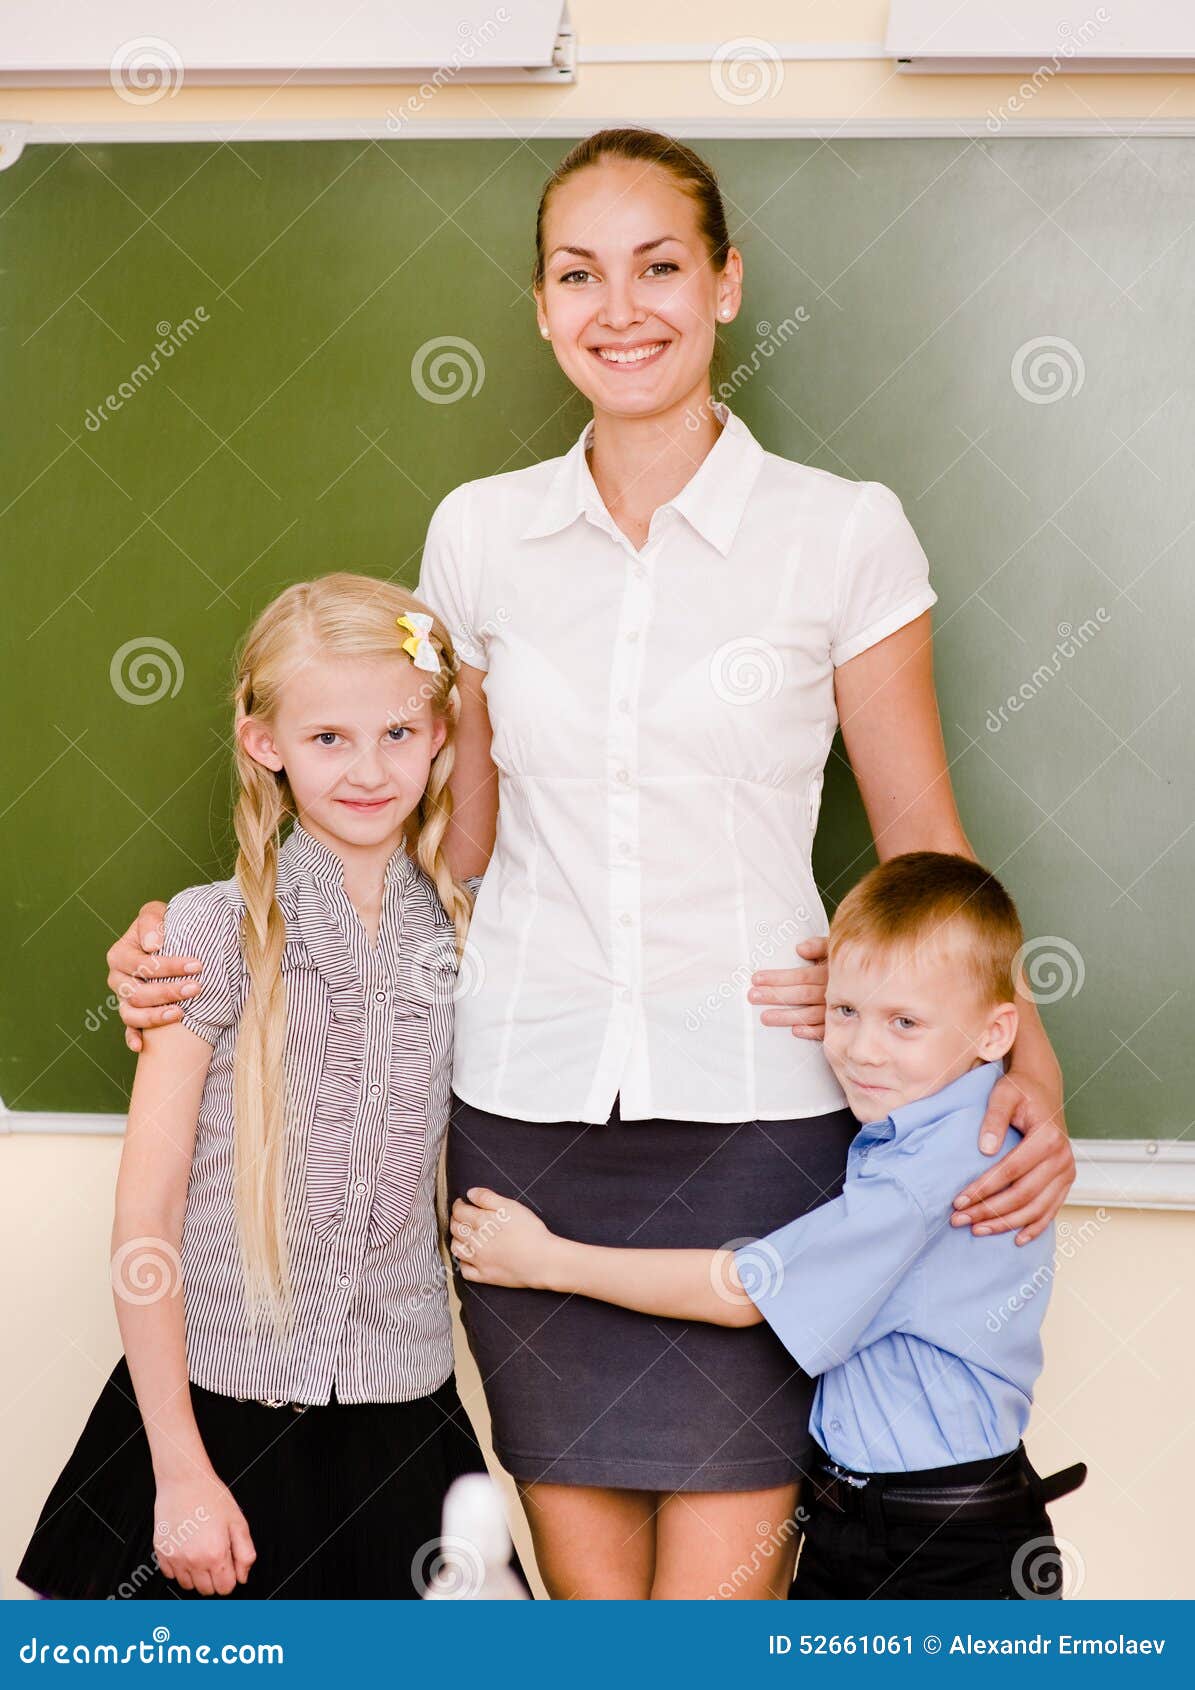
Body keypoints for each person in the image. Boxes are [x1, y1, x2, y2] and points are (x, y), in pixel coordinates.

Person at [104, 129, 1075, 1600]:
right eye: (578, 274)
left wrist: (1028, 1074)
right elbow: (447, 829)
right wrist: (186, 941)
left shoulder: (839, 532)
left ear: (726, 284)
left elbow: (922, 846)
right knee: (586, 1625)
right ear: (542, 308)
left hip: (763, 1119)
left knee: (712, 1626)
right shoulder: (480, 535)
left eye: (660, 266)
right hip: (527, 1121)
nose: (620, 306)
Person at [19, 575, 496, 1600]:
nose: (368, 769)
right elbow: (145, 1214)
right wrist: (179, 1471)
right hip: (213, 1413)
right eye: (327, 738)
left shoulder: (471, 933)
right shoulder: (206, 932)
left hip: (403, 1412)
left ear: (440, 733)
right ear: (264, 743)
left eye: (397, 734)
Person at [449, 852, 1087, 1600]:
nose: (862, 1049)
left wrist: (548, 1261)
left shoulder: (929, 1172)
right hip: (871, 1511)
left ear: (995, 1032)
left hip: (932, 1542)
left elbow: (743, 1292)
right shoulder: (934, 1128)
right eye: (844, 1011)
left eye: (904, 1022)